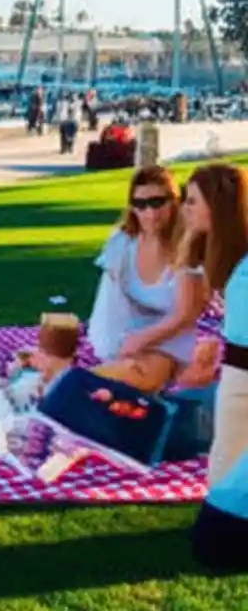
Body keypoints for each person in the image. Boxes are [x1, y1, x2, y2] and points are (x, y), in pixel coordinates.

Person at [85, 166, 206, 393]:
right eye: (140, 205)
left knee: (127, 377)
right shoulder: (123, 242)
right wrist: (113, 345)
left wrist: (139, 341)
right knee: (105, 381)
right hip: (127, 334)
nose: (149, 213)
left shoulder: (186, 246)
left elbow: (184, 315)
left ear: (174, 201)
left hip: (169, 338)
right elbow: (108, 303)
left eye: (157, 202)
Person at [170, 163, 248, 487]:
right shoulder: (230, 261)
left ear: (215, 207)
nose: (183, 209)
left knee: (224, 475)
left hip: (241, 382)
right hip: (236, 373)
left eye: (191, 201)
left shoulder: (242, 272)